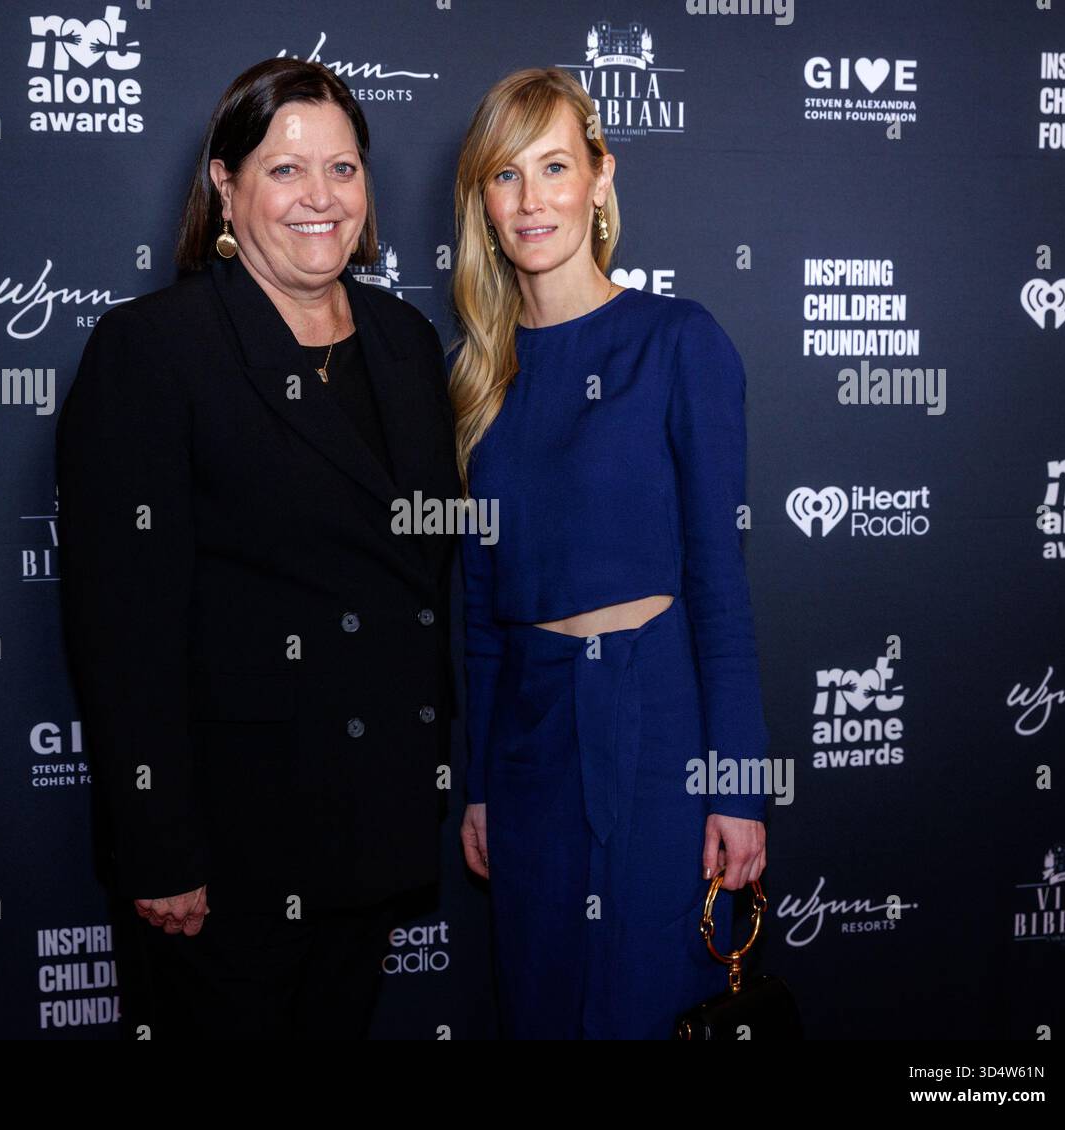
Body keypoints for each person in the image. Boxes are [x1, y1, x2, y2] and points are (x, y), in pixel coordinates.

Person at [55, 57, 460, 1039]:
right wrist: (161, 847)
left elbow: (425, 573)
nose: (320, 197)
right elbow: (122, 624)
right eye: (284, 171)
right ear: (226, 187)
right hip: (225, 856)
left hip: (371, 832)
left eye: (343, 168)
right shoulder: (155, 348)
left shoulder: (406, 341)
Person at [450, 68, 770, 1039]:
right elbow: (476, 609)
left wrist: (738, 784)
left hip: (658, 730)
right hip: (530, 744)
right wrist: (477, 781)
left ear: (599, 177)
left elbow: (718, 578)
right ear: (484, 202)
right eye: (505, 176)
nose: (531, 198)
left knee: (649, 996)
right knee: (543, 1005)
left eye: (554, 166)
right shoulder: (476, 381)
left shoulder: (676, 341)